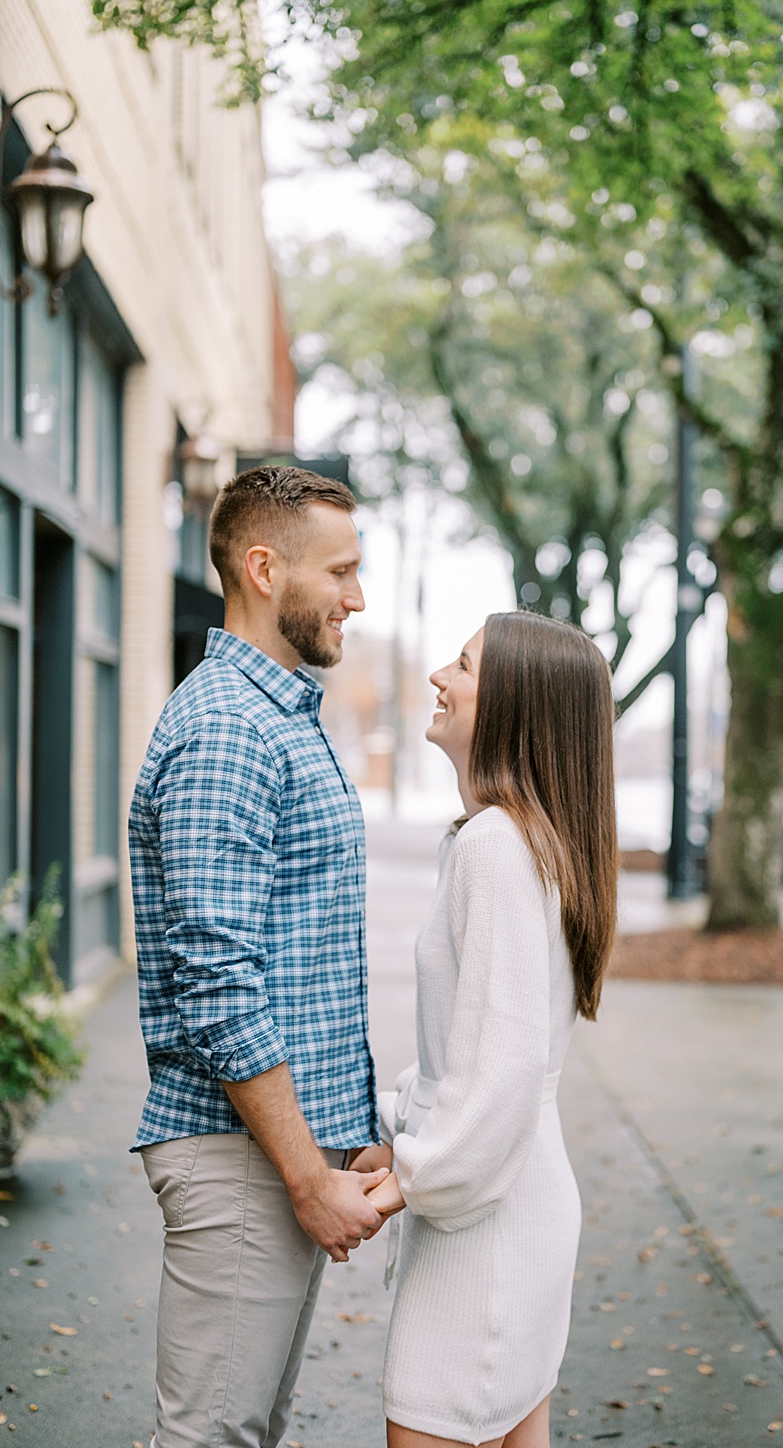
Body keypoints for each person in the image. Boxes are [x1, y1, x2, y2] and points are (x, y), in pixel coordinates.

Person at [130, 465, 394, 1447]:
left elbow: (302, 955)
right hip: (241, 1156)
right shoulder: (228, 732)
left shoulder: (275, 716)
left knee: (247, 1432)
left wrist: (346, 1132)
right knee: (209, 1437)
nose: (357, 596)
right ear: (261, 566)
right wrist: (305, 1174)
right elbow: (220, 986)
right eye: (341, 571)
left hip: (275, 1150)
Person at [365, 611, 617, 1448]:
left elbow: (504, 1069)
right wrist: (401, 1129)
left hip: (486, 1224)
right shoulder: (523, 841)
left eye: (464, 665)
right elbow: (473, 1059)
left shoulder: (497, 847)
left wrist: (410, 1178)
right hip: (509, 1198)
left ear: (513, 703)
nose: (439, 675)